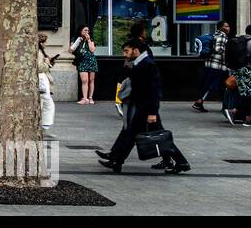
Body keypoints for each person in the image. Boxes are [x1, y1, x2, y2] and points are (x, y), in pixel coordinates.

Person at [98, 39, 190, 174]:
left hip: (146, 109)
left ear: (136, 50)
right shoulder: (139, 63)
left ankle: (116, 160)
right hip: (142, 107)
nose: (125, 54)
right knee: (134, 135)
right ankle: (116, 160)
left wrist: (152, 112)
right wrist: (129, 67)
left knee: (155, 136)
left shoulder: (148, 64)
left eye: (127, 51)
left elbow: (154, 90)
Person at [224, 25, 251, 127]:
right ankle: (233, 111)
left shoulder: (241, 39)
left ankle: (247, 118)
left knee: (245, 94)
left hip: (240, 69)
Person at [192, 20, 231, 113]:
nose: (228, 28)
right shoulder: (222, 36)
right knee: (212, 85)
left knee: (221, 86)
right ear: (221, 27)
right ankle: (199, 102)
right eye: (226, 26)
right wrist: (228, 52)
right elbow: (218, 49)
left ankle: (225, 106)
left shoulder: (214, 35)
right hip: (218, 66)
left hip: (211, 64)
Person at [69, 25, 98, 104]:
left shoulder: (91, 39)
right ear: (80, 31)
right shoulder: (77, 39)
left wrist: (88, 40)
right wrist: (78, 41)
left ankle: (90, 98)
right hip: (82, 61)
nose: (86, 32)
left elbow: (92, 50)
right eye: (85, 30)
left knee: (91, 80)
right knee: (84, 80)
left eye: (88, 30)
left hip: (91, 61)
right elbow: (71, 50)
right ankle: (85, 98)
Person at [38, 33, 57, 138]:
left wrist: (49, 62)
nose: (46, 45)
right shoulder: (39, 53)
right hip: (41, 79)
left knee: (45, 102)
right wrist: (48, 63)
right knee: (47, 103)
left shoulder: (40, 52)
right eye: (45, 43)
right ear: (41, 43)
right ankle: (44, 128)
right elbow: (39, 67)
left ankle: (44, 127)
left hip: (43, 79)